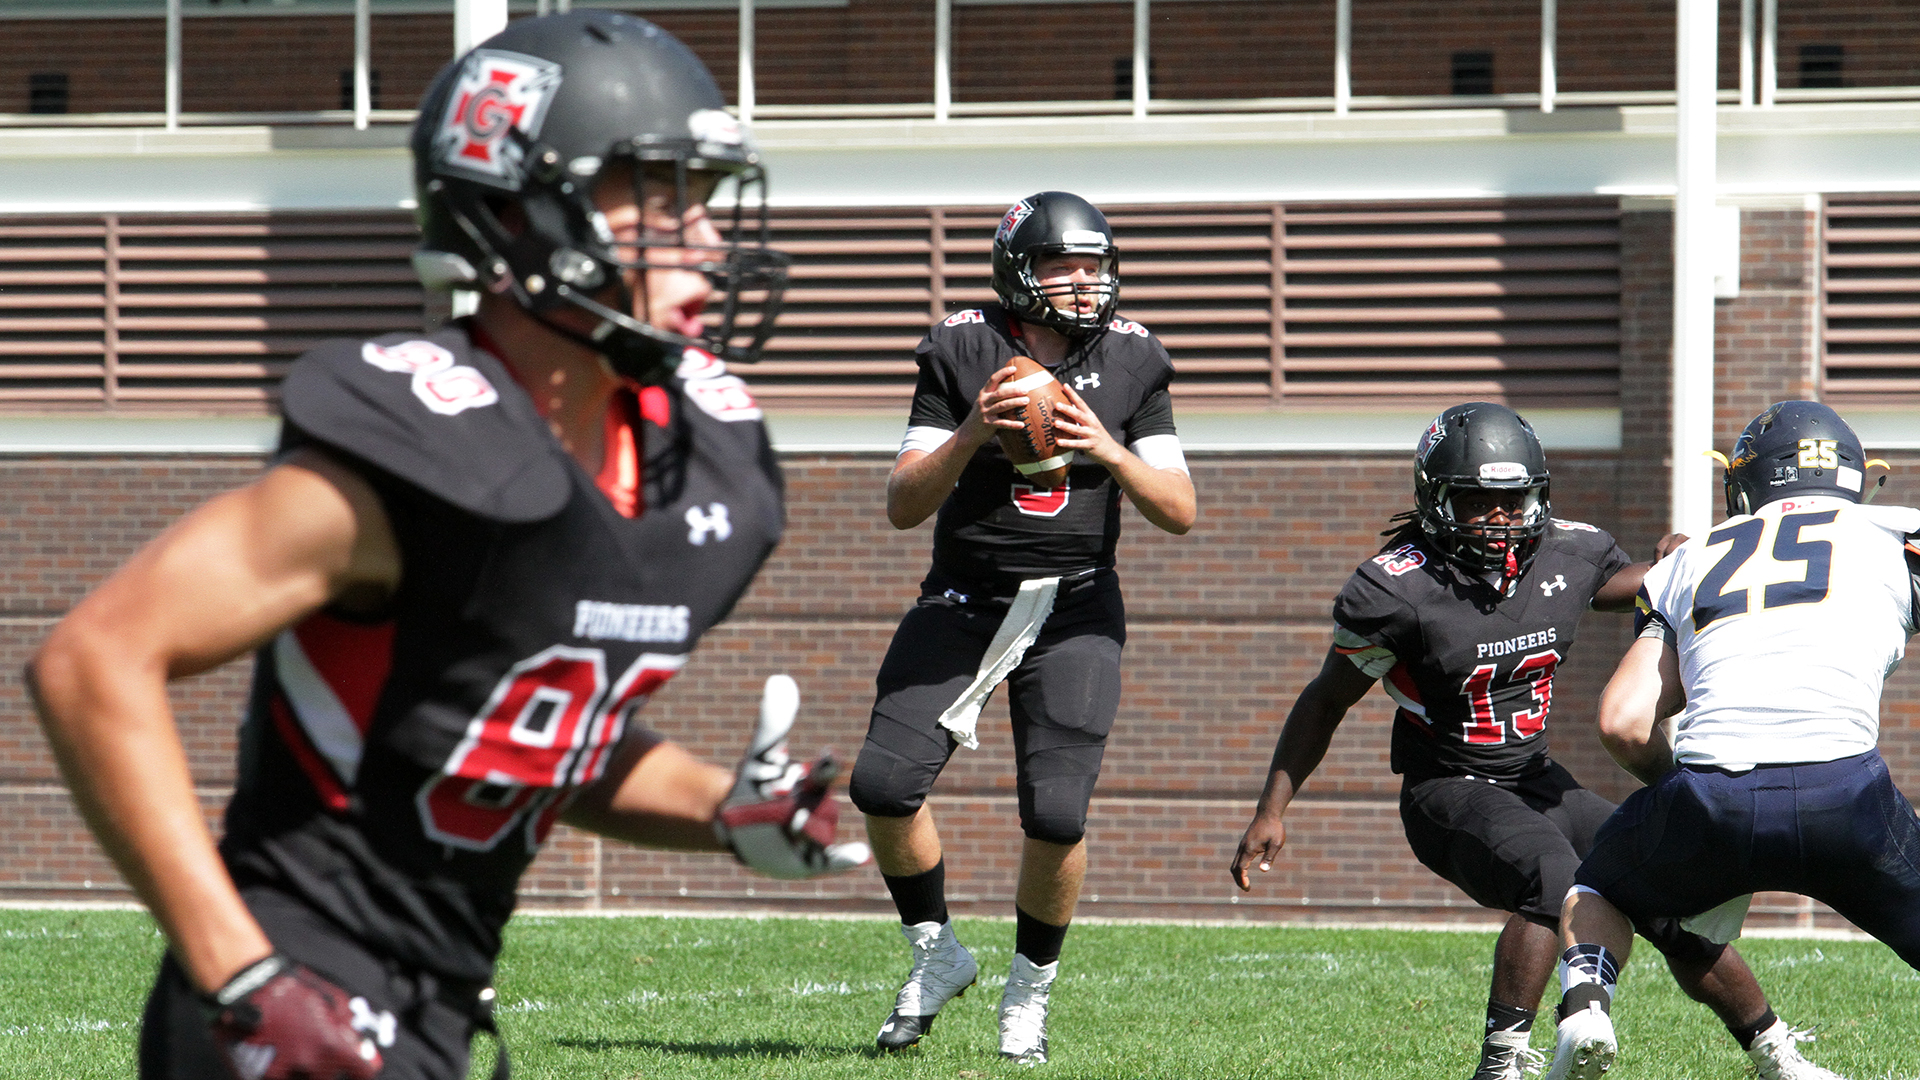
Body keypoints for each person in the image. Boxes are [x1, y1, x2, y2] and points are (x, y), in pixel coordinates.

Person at [28, 13, 866, 1080]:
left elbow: (523, 736)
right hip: (290, 989)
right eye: (659, 196)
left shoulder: (697, 461)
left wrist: (721, 806)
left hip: (437, 1000)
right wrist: (243, 979)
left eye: (704, 199)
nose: (702, 236)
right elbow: (93, 661)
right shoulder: (422, 444)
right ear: (520, 208)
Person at [1230, 402, 1830, 1080]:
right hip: (1447, 788)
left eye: (1514, 500)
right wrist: (1272, 808)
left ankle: (1775, 1055)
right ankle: (1506, 1062)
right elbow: (1324, 700)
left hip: (1534, 778)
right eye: (1478, 502)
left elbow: (1634, 583)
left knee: (1664, 883)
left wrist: (1675, 563)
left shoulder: (1566, 551)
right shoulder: (1395, 589)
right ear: (1435, 501)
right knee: (1555, 877)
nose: (1500, 518)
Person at [846, 191, 1196, 1064]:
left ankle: (1028, 995)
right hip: (965, 598)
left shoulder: (1133, 357)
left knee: (1056, 815)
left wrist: (1105, 448)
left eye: (1095, 264)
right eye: (1063, 266)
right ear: (1018, 271)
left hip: (1075, 605)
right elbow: (901, 503)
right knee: (882, 788)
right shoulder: (963, 347)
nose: (1085, 282)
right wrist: (971, 432)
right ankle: (937, 956)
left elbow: (1180, 509)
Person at [1543, 400, 1909, 1080]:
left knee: (1601, 890)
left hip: (1714, 790)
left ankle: (1589, 1007)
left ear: (1746, 484)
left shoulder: (1692, 558)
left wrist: (1680, 794)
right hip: (1846, 795)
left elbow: (1623, 720)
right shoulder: (1895, 535)